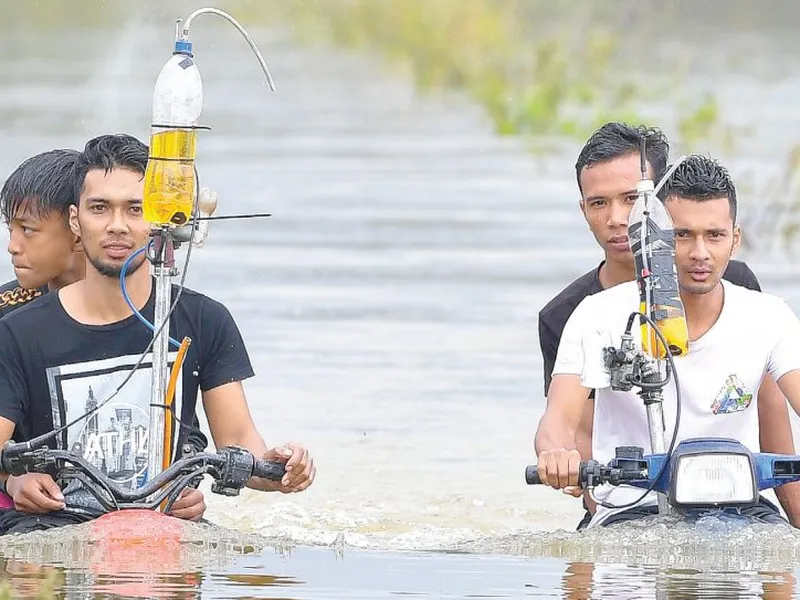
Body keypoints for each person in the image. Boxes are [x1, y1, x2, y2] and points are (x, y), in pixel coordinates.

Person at [0, 133, 315, 534]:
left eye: (136, 209)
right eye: (100, 208)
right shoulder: (15, 332)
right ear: (76, 221)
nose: (117, 225)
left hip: (166, 529)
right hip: (50, 530)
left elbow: (240, 442)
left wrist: (282, 467)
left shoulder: (204, 320)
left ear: (160, 219)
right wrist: (14, 479)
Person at [537, 122, 800, 528]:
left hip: (741, 499)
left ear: (734, 238)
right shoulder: (589, 314)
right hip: (633, 502)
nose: (699, 254)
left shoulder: (763, 310)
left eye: (714, 236)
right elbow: (564, 421)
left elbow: (775, 408)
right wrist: (560, 459)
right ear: (657, 232)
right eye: (680, 236)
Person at [0, 146, 212, 523]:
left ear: (74, 230)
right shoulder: (12, 321)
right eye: (100, 208)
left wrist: (187, 482)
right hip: (34, 506)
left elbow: (187, 429)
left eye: (27, 230)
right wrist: (10, 480)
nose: (13, 246)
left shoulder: (165, 313)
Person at [0, 149, 85, 317]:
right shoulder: (6, 311)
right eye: (11, 228)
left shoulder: (142, 307)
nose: (12, 247)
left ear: (77, 233)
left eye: (27, 229)